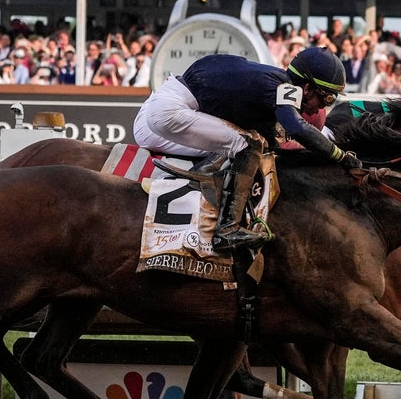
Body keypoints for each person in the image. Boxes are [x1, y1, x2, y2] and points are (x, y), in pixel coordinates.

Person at [132, 46, 359, 252]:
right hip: (169, 110)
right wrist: (338, 155)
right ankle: (226, 230)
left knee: (250, 144)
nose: (323, 106)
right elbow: (297, 128)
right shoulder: (283, 86)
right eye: (327, 98)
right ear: (308, 88)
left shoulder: (272, 83)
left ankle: (197, 189)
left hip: (169, 104)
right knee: (246, 145)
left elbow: (273, 144)